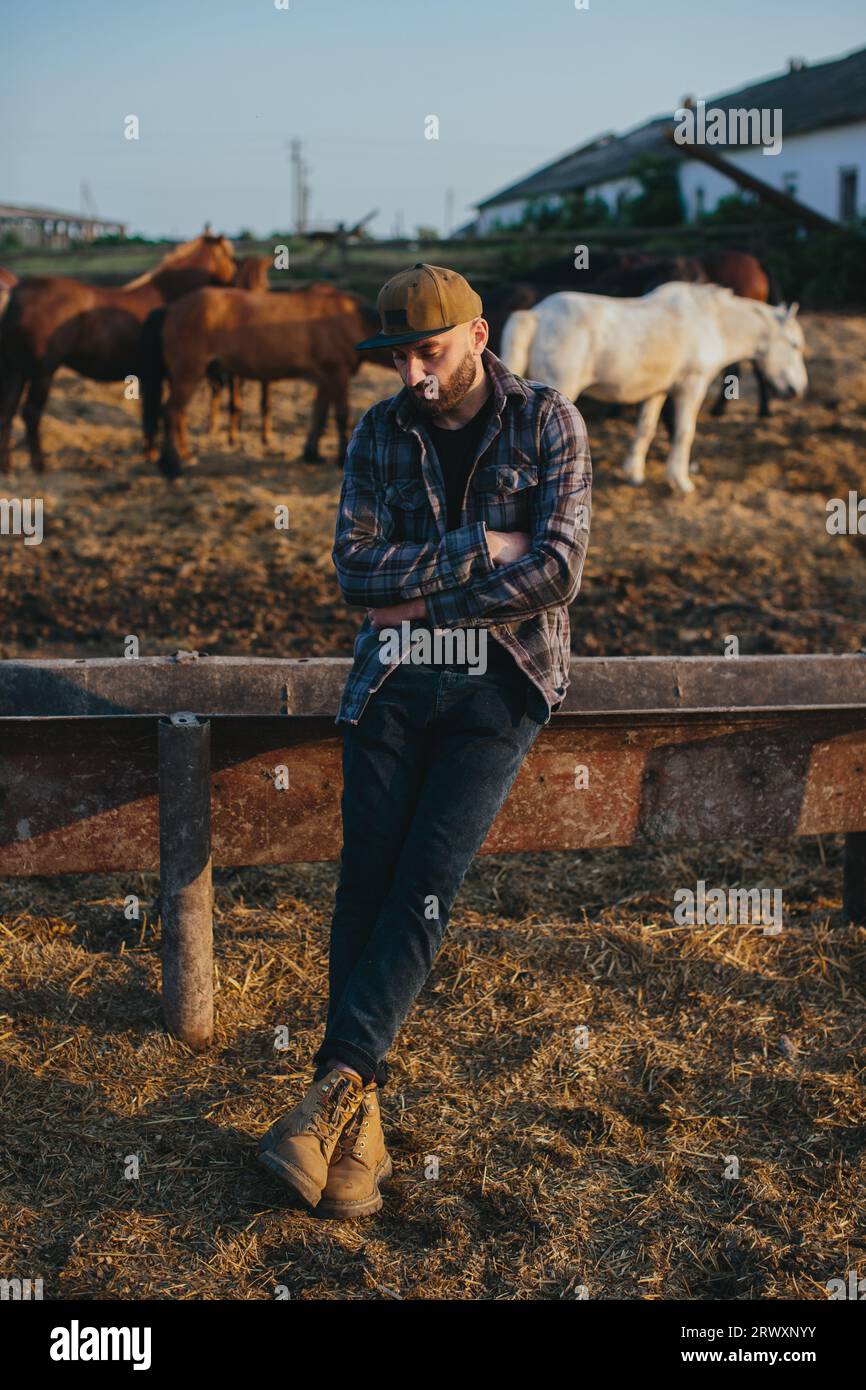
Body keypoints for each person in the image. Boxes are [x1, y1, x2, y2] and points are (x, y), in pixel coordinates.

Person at [258, 263, 591, 1218]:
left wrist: (422, 596)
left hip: (503, 684)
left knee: (426, 883)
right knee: (367, 875)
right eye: (398, 355)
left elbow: (560, 570)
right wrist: (484, 549)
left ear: (480, 337)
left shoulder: (551, 424)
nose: (413, 373)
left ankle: (327, 1095)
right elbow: (354, 576)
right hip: (396, 678)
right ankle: (353, 1128)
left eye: (430, 351)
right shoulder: (377, 431)